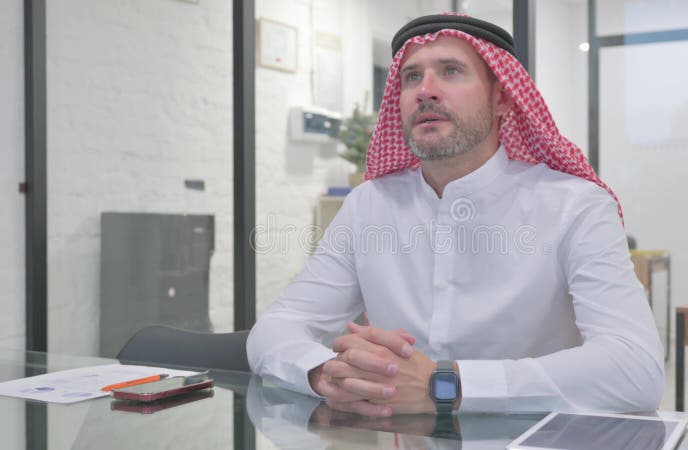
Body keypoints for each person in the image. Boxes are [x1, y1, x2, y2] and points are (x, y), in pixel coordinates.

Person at [247, 14, 665, 418]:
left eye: (450, 71)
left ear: (502, 98)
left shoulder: (575, 206)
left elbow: (635, 368)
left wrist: (447, 385)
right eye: (412, 76)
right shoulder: (368, 206)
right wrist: (326, 373)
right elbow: (276, 328)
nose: (425, 90)